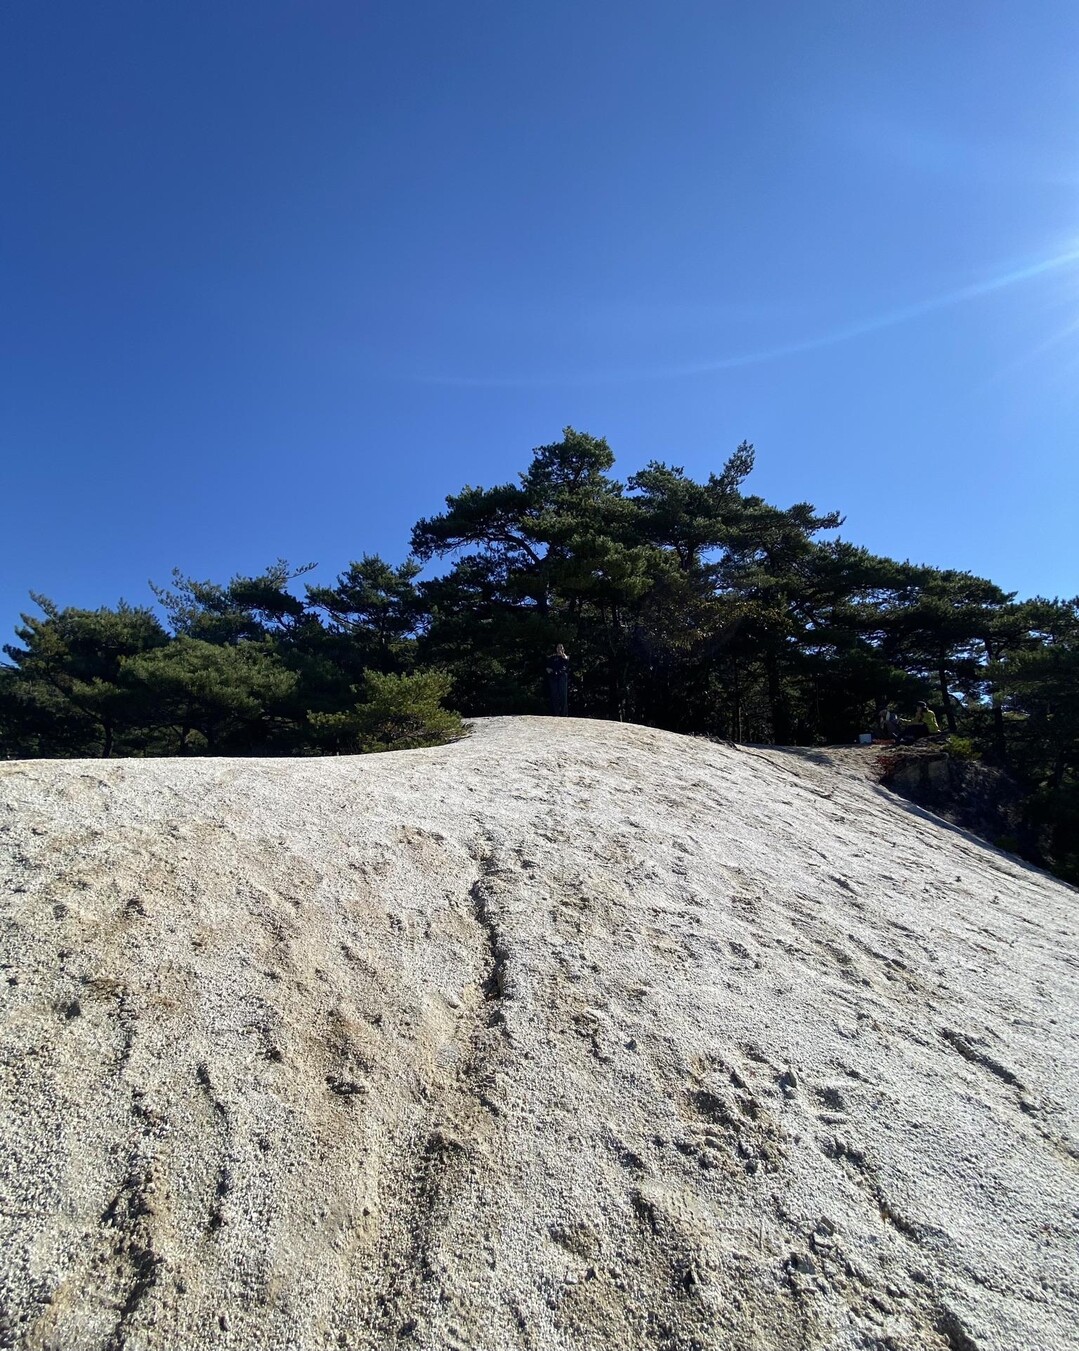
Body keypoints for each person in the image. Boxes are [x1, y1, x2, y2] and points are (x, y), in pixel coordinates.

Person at [545, 644, 570, 716]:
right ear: (556, 649)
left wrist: (563, 656)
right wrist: (549, 670)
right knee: (554, 695)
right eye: (558, 647)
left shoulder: (565, 657)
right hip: (553, 677)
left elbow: (566, 665)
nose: (559, 649)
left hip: (562, 677)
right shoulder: (552, 658)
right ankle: (555, 713)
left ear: (563, 649)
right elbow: (547, 667)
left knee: (563, 696)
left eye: (561, 647)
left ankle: (564, 714)